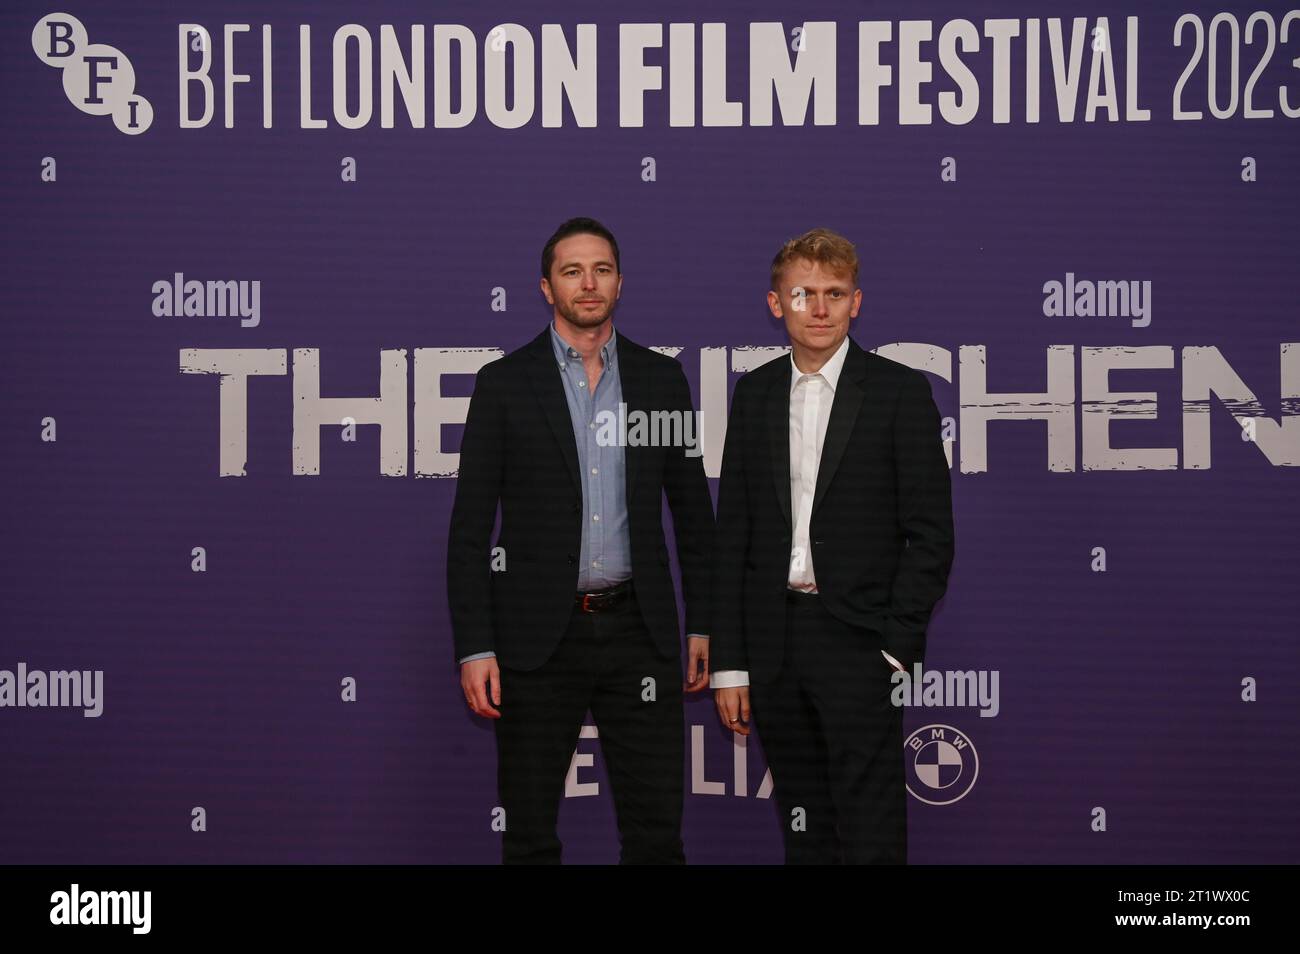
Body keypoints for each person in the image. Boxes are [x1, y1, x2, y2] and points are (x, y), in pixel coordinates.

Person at [447, 217, 714, 864]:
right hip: (537, 641)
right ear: (547, 288)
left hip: (639, 636)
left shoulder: (659, 382)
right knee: (531, 839)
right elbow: (470, 527)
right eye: (572, 271)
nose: (587, 283)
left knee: (656, 838)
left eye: (600, 269)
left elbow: (693, 516)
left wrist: (704, 625)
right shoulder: (505, 385)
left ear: (620, 282)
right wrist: (476, 646)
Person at [711, 227, 954, 864]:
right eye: (803, 294)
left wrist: (895, 650)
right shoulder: (755, 393)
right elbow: (732, 533)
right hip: (773, 643)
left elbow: (930, 534)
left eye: (834, 294)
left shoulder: (900, 393)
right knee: (803, 829)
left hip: (859, 642)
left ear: (856, 302)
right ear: (776, 303)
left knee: (872, 831)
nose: (819, 309)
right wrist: (732, 663)